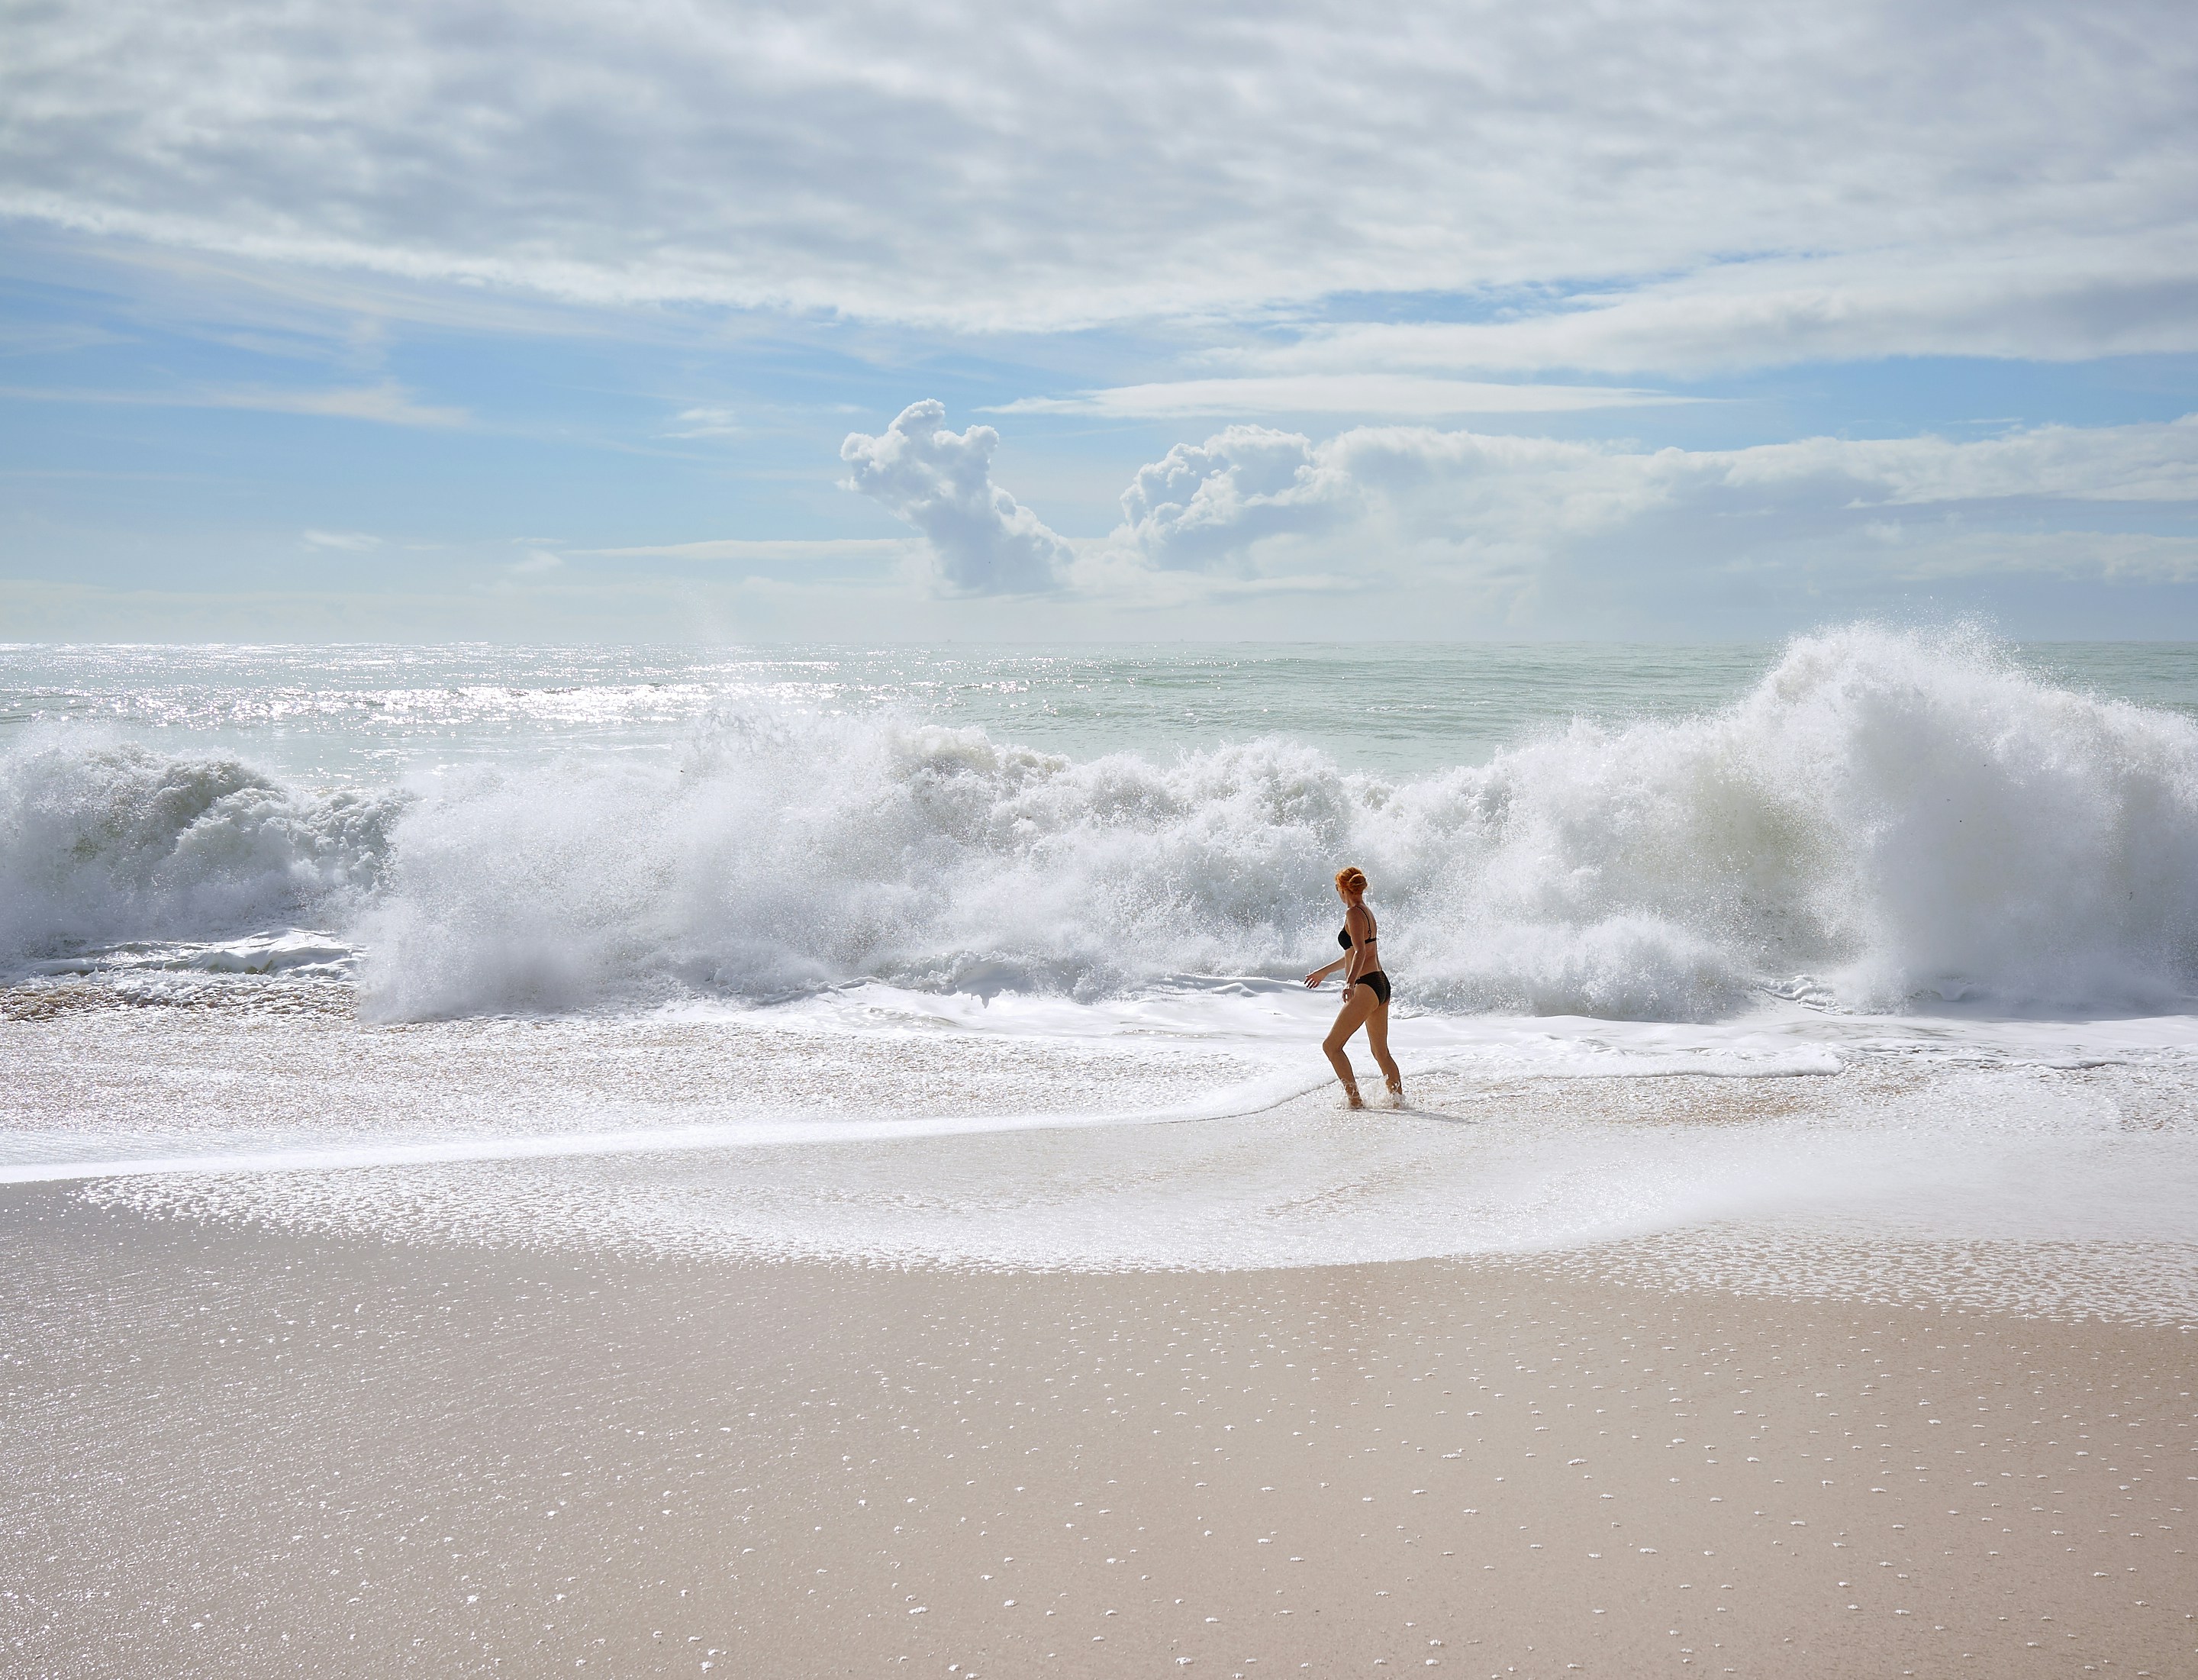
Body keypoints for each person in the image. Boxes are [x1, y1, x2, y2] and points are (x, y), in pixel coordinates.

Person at [1303, 865, 1402, 1109]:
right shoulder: (1366, 911)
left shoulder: (1353, 914)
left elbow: (1358, 952)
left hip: (1367, 987)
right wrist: (1324, 971)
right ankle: (1399, 1102)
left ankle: (1355, 1101)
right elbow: (1356, 953)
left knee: (1331, 1046)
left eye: (1337, 888)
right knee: (1381, 1053)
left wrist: (1349, 983)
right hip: (1380, 984)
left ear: (1343, 889)